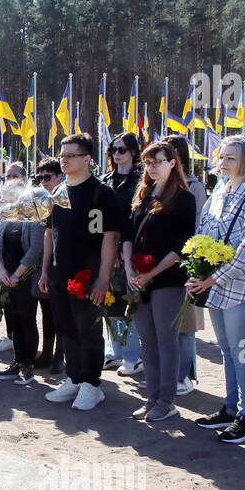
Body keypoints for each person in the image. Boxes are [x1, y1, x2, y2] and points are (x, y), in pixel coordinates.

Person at [188, 135, 245, 444]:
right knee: (227, 350)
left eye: (231, 158)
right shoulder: (219, 193)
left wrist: (214, 278)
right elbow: (203, 233)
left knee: (243, 351)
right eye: (222, 156)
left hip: (244, 286)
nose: (223, 162)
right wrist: (196, 271)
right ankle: (230, 406)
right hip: (216, 285)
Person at [39, 133, 124, 411]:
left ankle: (92, 384)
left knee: (88, 329)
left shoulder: (102, 193)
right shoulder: (58, 193)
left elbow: (110, 237)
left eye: (70, 155)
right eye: (62, 155)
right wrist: (44, 270)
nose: (63, 160)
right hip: (59, 274)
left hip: (87, 277)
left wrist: (103, 277)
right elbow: (50, 233)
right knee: (65, 327)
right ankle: (74, 378)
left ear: (87, 158)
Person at [123, 142, 197, 422]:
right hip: (139, 280)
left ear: (172, 163)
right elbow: (128, 235)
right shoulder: (142, 195)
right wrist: (131, 270)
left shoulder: (183, 198)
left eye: (157, 161)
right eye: (148, 162)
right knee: (147, 342)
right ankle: (152, 397)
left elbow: (182, 246)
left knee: (167, 341)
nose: (152, 167)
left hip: (168, 279)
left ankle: (166, 400)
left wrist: (150, 274)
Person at [0, 186, 45, 385]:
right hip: (7, 278)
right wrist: (3, 271)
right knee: (13, 321)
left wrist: (16, 275)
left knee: (27, 320)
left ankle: (27, 366)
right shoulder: (7, 217)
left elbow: (35, 250)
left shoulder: (35, 220)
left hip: (25, 278)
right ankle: (16, 362)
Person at [164, 135, 204, 396]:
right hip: (159, 263)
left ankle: (184, 375)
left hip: (185, 262)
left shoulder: (193, 186)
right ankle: (167, 373)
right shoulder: (156, 187)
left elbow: (199, 227)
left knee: (185, 325)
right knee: (165, 325)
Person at [103, 133, 143, 376]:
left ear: (133, 151)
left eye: (122, 149)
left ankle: (133, 355)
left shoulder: (142, 180)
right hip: (108, 250)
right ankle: (117, 351)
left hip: (134, 249)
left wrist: (122, 250)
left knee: (132, 304)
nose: (117, 154)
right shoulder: (107, 180)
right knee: (111, 303)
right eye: (114, 150)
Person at [31, 159, 64, 375]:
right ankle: (47, 352)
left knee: (61, 313)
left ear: (60, 176)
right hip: (46, 264)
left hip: (65, 263)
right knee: (46, 311)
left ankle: (60, 356)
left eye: (47, 176)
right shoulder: (42, 200)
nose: (43, 181)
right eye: (40, 177)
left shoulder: (63, 198)